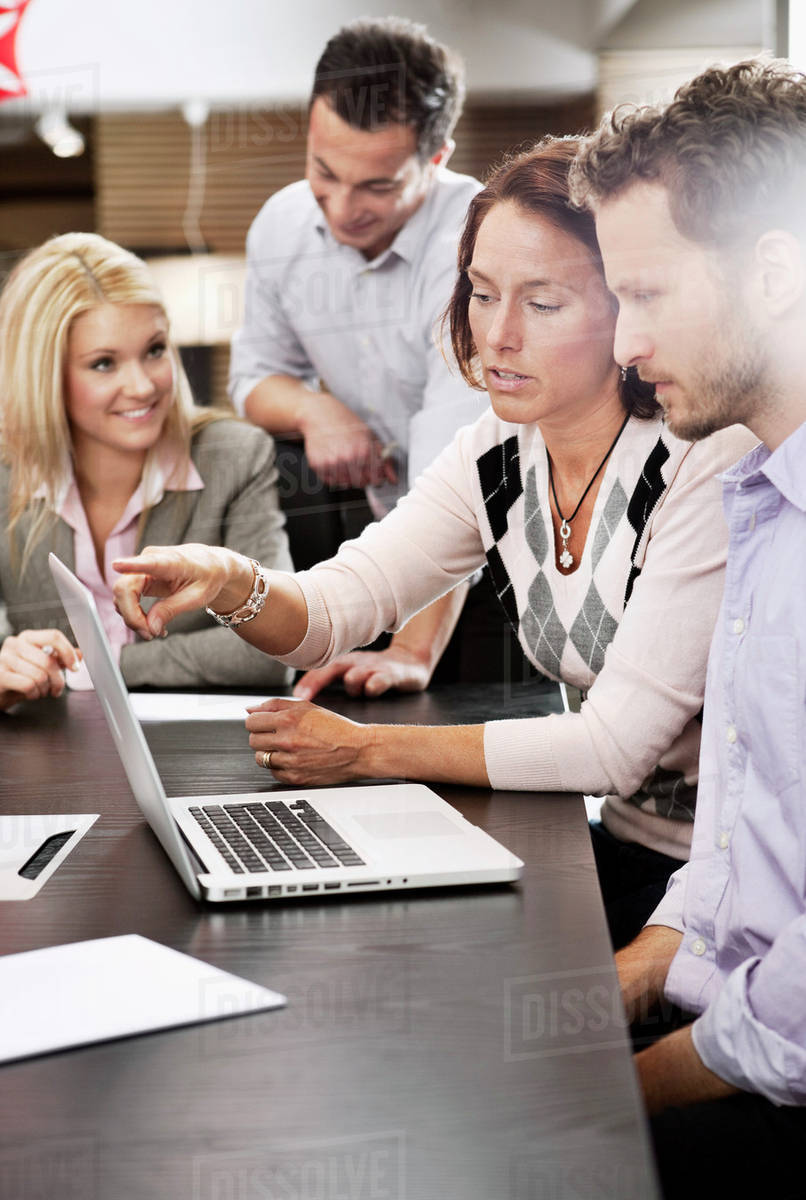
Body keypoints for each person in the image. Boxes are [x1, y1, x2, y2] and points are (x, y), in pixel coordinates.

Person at [113, 137, 752, 943]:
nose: (499, 335)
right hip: (620, 854)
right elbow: (329, 615)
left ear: (628, 306)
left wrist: (368, 753)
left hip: (725, 886)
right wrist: (231, 579)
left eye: (543, 304)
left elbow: (612, 749)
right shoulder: (495, 452)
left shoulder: (702, 456)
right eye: (482, 294)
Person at [569, 57, 806, 1199]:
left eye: (647, 295)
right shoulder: (760, 490)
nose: (619, 345)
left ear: (772, 270)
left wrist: (642, 1078)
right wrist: (620, 980)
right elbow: (742, 845)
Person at [230, 15, 492, 697]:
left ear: (436, 159)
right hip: (379, 549)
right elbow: (254, 380)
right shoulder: (282, 226)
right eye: (324, 172)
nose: (343, 208)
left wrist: (410, 650)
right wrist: (316, 409)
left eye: (377, 186)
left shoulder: (478, 246)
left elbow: (456, 483)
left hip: (495, 562)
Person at [0, 232, 293, 710]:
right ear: (45, 375)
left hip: (195, 756)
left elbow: (271, 648)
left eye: (154, 350)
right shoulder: (5, 473)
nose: (141, 385)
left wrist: (99, 666)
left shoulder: (235, 456)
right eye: (103, 364)